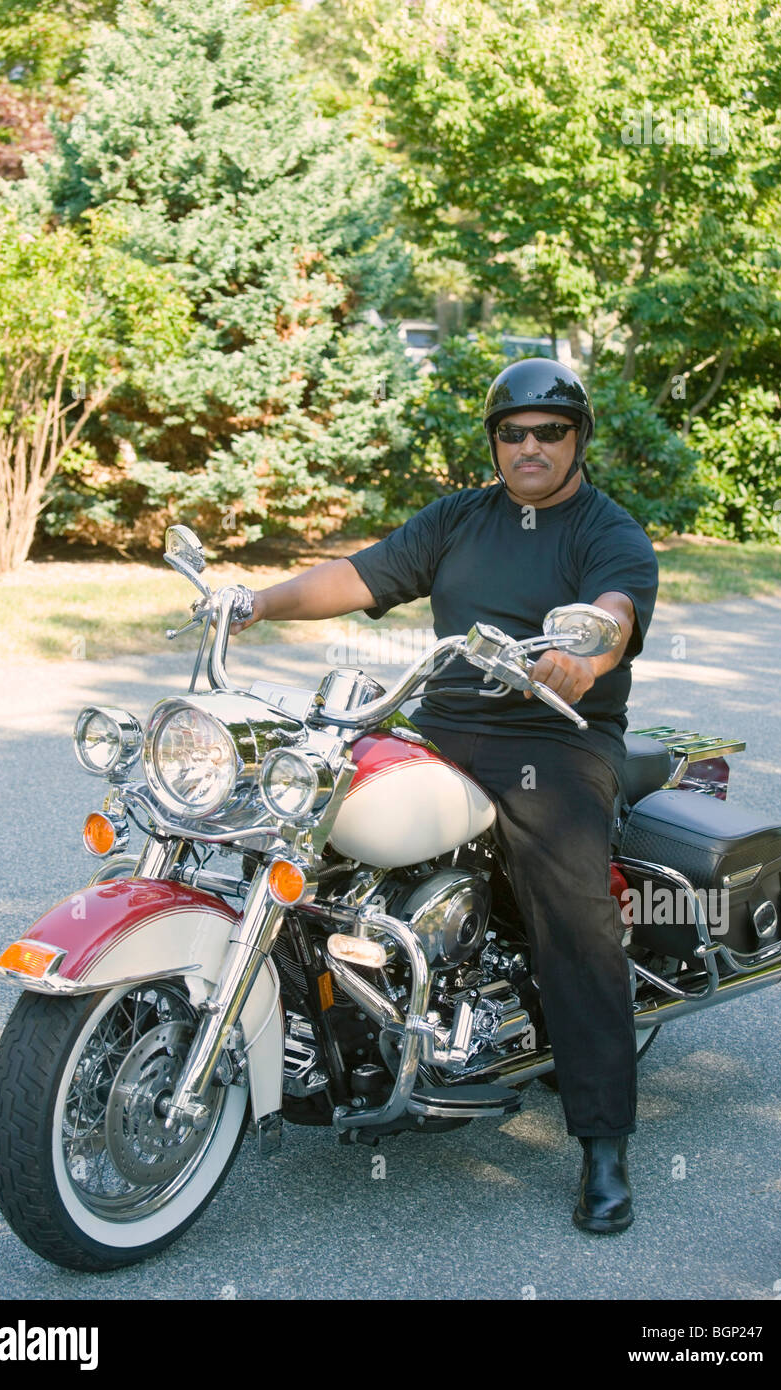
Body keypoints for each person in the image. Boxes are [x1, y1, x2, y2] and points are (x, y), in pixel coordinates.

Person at [228, 358, 659, 1234]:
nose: (530, 446)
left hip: (553, 738)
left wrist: (586, 653)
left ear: (578, 440)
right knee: (293, 817)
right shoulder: (462, 516)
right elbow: (362, 574)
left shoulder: (608, 530)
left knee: (575, 917)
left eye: (550, 431)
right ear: (494, 441)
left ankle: (604, 1142)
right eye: (513, 431)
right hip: (439, 724)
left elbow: (614, 611)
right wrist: (255, 602)